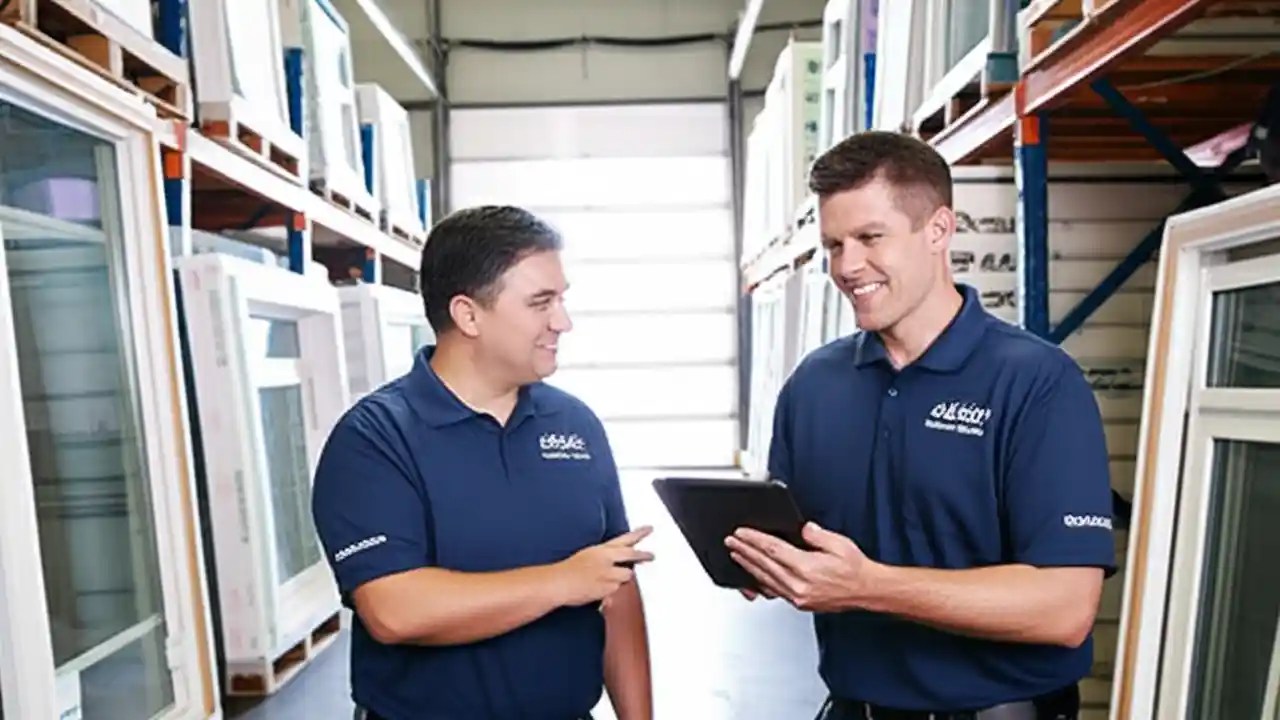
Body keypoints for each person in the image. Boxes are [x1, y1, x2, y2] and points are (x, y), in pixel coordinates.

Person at [725, 132, 1116, 720]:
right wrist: (766, 565)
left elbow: (1064, 610)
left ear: (938, 230)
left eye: (869, 238)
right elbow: (802, 542)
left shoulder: (1038, 383)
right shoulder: (814, 385)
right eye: (833, 244)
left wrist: (868, 586)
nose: (846, 266)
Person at [311, 205, 654, 720]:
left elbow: (614, 587)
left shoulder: (575, 425)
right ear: (468, 314)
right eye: (541, 303)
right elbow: (394, 610)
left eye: (561, 299)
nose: (563, 321)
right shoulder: (375, 439)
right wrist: (562, 581)